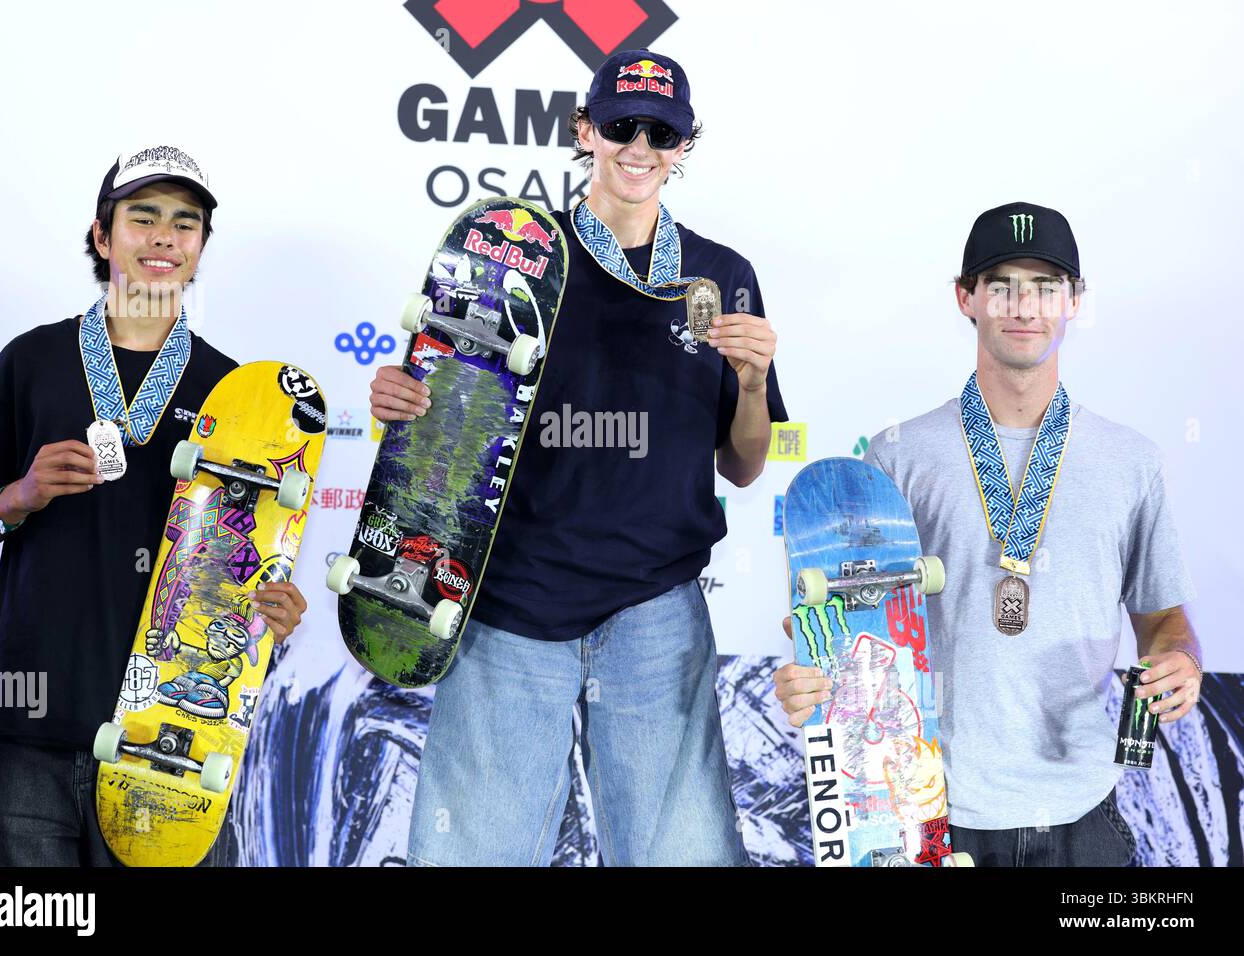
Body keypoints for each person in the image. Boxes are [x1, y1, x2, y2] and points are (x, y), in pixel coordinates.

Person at [370, 50, 786, 865]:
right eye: (622, 125)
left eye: (661, 132)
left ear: (683, 145)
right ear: (585, 130)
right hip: (509, 599)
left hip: (656, 605)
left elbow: (743, 467)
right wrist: (405, 402)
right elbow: (443, 429)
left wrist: (750, 383)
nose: (640, 146)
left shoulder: (720, 275)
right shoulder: (511, 258)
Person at [774, 202, 1201, 866]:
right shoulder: (897, 458)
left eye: (1045, 286)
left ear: (1075, 301)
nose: (1023, 306)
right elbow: (849, 632)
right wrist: (812, 670)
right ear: (965, 298)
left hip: (1083, 812)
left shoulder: (1131, 462)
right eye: (1001, 286)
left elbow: (1164, 620)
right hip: (934, 811)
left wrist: (1180, 661)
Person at [0, 145, 309, 866]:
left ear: (201, 247)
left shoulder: (234, 390)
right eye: (143, 217)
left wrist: (273, 609)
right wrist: (20, 496)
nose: (164, 237)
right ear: (102, 236)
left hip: (171, 733)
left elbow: (247, 557)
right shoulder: (32, 360)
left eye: (185, 222)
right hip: (34, 721)